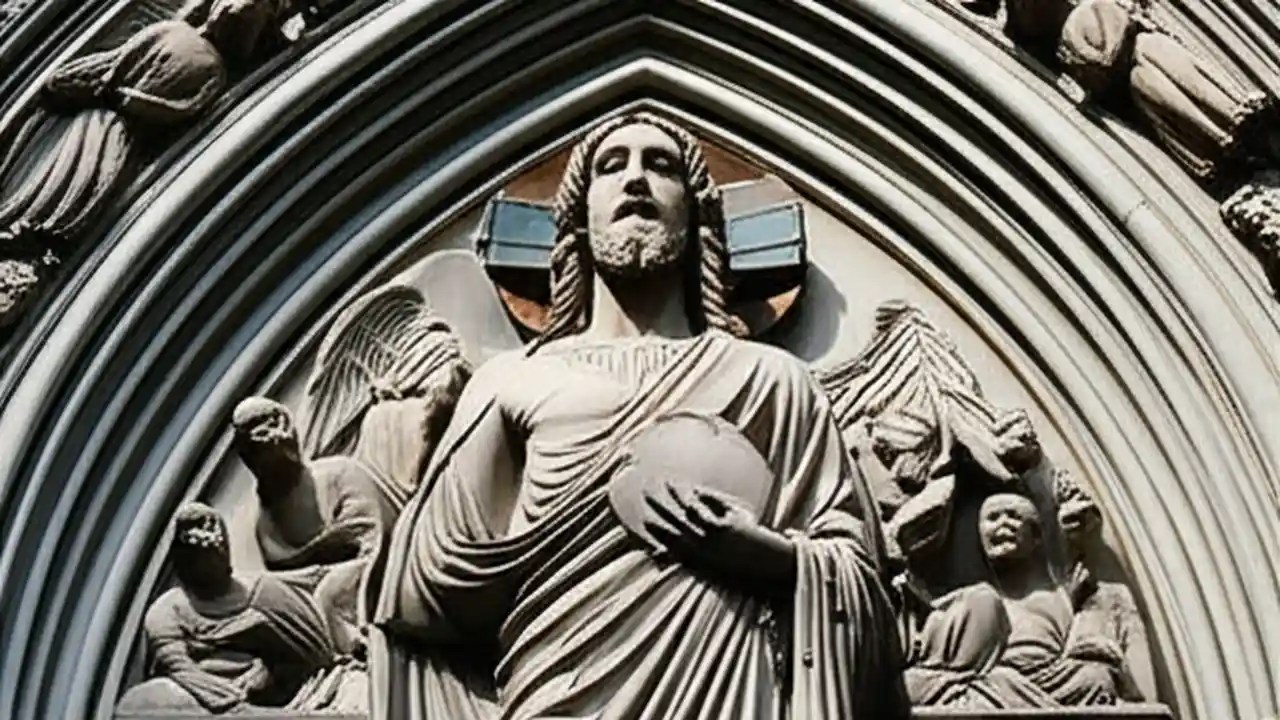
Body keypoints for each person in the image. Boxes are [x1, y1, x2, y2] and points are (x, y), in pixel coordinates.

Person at [372, 112, 910, 719]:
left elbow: (862, 589)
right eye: (611, 166)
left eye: (661, 166)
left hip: (730, 695)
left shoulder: (772, 382)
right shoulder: (512, 381)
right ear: (577, 220)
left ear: (696, 215)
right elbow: (425, 593)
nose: (635, 180)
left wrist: (763, 557)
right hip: (556, 687)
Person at [116, 503, 334, 714]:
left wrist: (267, 674)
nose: (203, 567)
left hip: (276, 693)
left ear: (225, 557)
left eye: (210, 559)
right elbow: (178, 666)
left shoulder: (264, 594)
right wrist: (228, 700)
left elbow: (314, 652)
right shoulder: (167, 611)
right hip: (200, 698)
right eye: (194, 560)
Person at [232, 396, 397, 652]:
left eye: (270, 433)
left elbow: (373, 534)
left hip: (373, 568)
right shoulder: (266, 524)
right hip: (313, 592)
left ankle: (360, 651)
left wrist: (335, 573)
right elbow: (286, 573)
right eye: (257, 452)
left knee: (329, 595)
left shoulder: (339, 473)